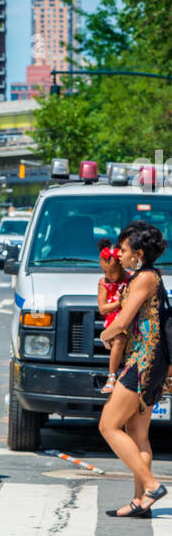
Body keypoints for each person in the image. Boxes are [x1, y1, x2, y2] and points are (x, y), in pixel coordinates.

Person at [99, 220, 170, 518]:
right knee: (137, 432)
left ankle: (152, 485)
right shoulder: (146, 275)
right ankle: (140, 501)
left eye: (124, 249)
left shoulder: (145, 279)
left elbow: (123, 320)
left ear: (138, 253)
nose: (119, 253)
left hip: (143, 361)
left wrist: (105, 335)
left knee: (108, 425)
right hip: (149, 362)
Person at [97, 243, 130, 394]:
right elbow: (102, 308)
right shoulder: (104, 283)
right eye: (104, 271)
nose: (108, 275)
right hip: (114, 320)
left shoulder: (130, 278)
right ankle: (111, 376)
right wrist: (118, 302)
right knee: (119, 340)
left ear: (122, 266)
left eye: (112, 272)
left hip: (130, 319)